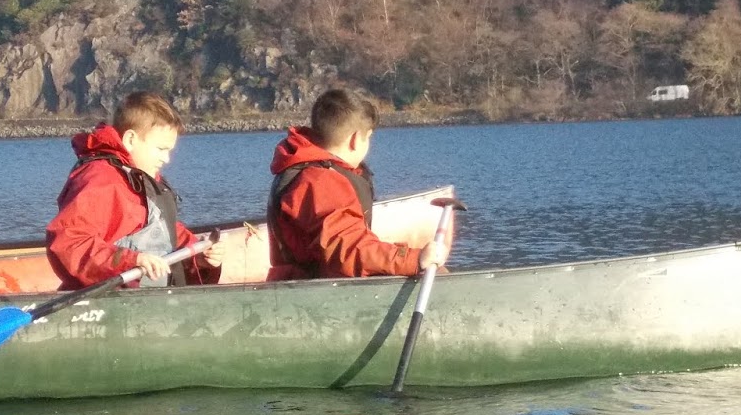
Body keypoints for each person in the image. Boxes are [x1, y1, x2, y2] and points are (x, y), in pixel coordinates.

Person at [45, 91, 224, 290]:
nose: (167, 159)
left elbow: (163, 230)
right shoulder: (101, 179)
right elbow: (70, 244)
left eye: (169, 151)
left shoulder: (143, 177)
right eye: (161, 149)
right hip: (113, 302)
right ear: (131, 140)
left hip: (151, 300)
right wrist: (132, 260)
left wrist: (200, 258)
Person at [267, 87, 449, 280]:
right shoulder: (320, 182)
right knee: (435, 274)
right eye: (368, 137)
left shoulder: (314, 173)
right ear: (355, 139)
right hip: (314, 293)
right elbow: (348, 250)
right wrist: (414, 259)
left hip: (318, 283)